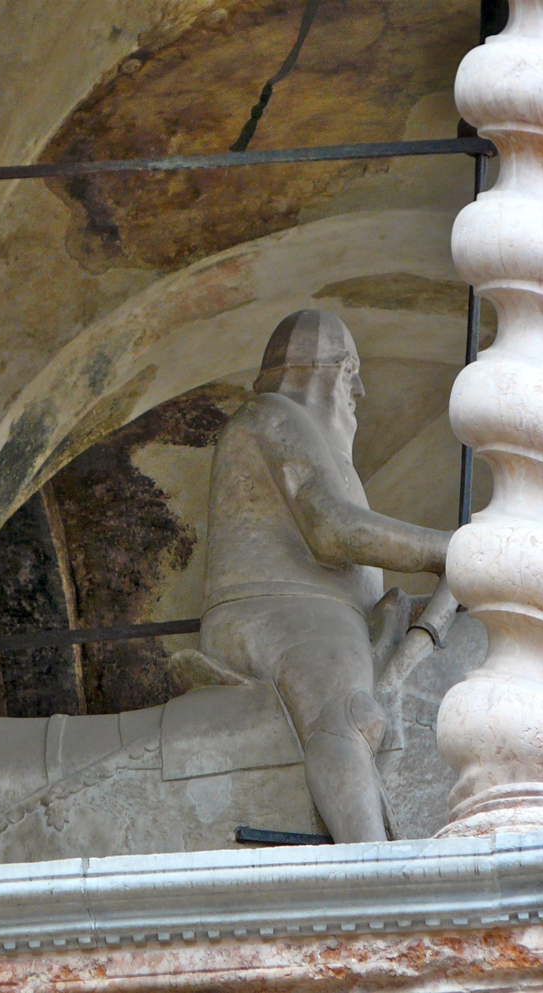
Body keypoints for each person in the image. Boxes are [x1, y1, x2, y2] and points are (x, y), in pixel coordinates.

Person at [198, 309, 452, 842]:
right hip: (278, 611)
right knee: (348, 713)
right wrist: (447, 549)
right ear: (315, 370)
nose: (358, 391)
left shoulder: (320, 443)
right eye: (349, 370)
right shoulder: (273, 415)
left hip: (339, 620)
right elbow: (332, 529)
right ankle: (370, 862)